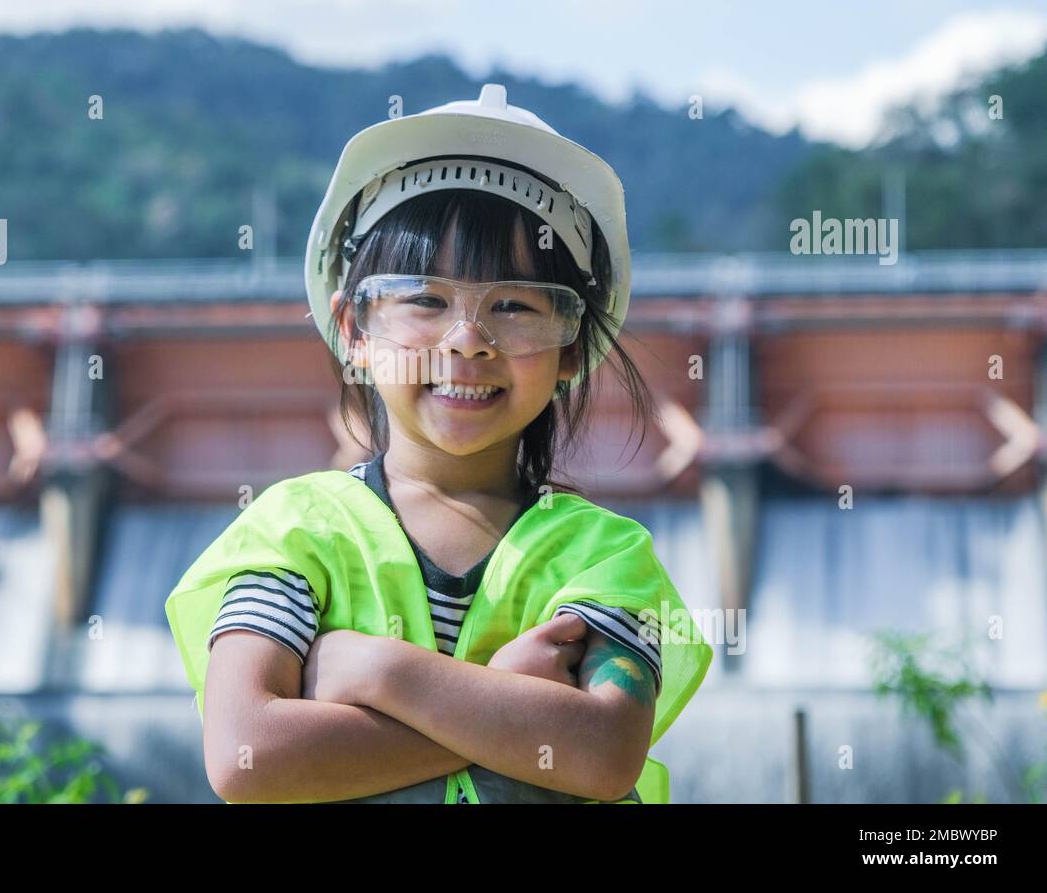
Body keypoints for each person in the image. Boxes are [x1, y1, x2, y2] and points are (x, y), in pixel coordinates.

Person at [165, 84, 713, 803]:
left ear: (572, 346)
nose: (468, 344)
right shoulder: (296, 533)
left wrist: (376, 671)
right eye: (424, 300)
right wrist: (504, 704)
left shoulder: (606, 558)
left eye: (514, 306)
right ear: (356, 330)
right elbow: (245, 755)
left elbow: (601, 752)